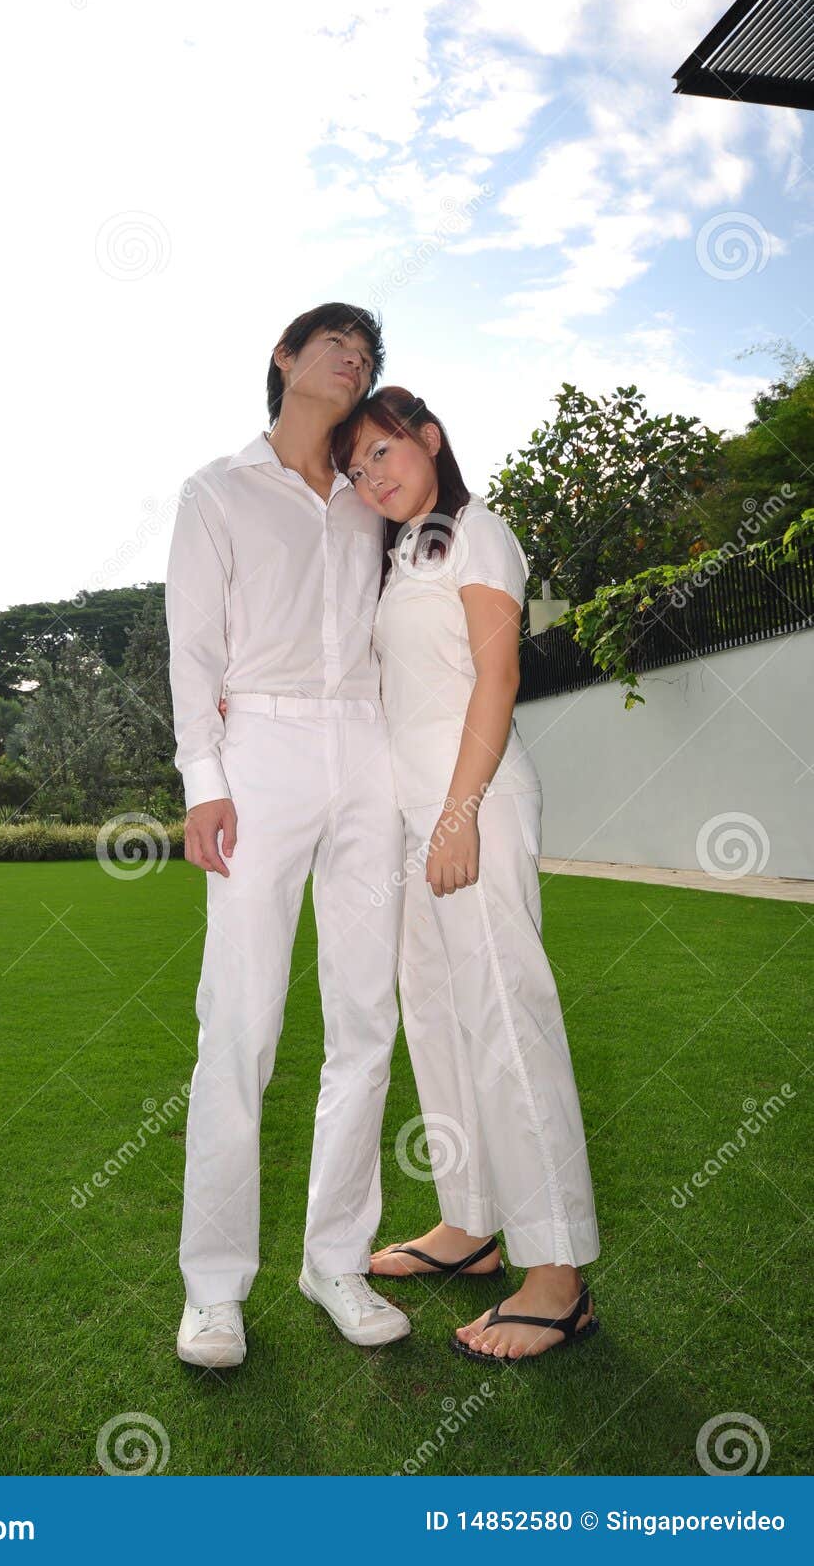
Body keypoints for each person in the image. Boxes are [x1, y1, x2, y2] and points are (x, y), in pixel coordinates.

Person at [330, 385, 601, 1364]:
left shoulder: (478, 531)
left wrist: (457, 814)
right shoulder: (403, 554)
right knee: (438, 1020)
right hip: (416, 819)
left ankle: (557, 1274)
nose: (373, 477)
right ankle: (469, 1222)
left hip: (470, 806)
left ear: (428, 438)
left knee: (503, 1019)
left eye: (383, 452)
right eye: (356, 470)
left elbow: (497, 676)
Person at [164, 304, 412, 1368]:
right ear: (284, 359)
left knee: (365, 1016)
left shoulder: (374, 502)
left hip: (366, 751)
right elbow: (192, 650)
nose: (352, 359)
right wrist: (201, 781)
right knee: (242, 1021)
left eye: (366, 354)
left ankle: (334, 1260)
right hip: (256, 747)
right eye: (334, 343)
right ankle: (213, 1289)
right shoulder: (215, 491)